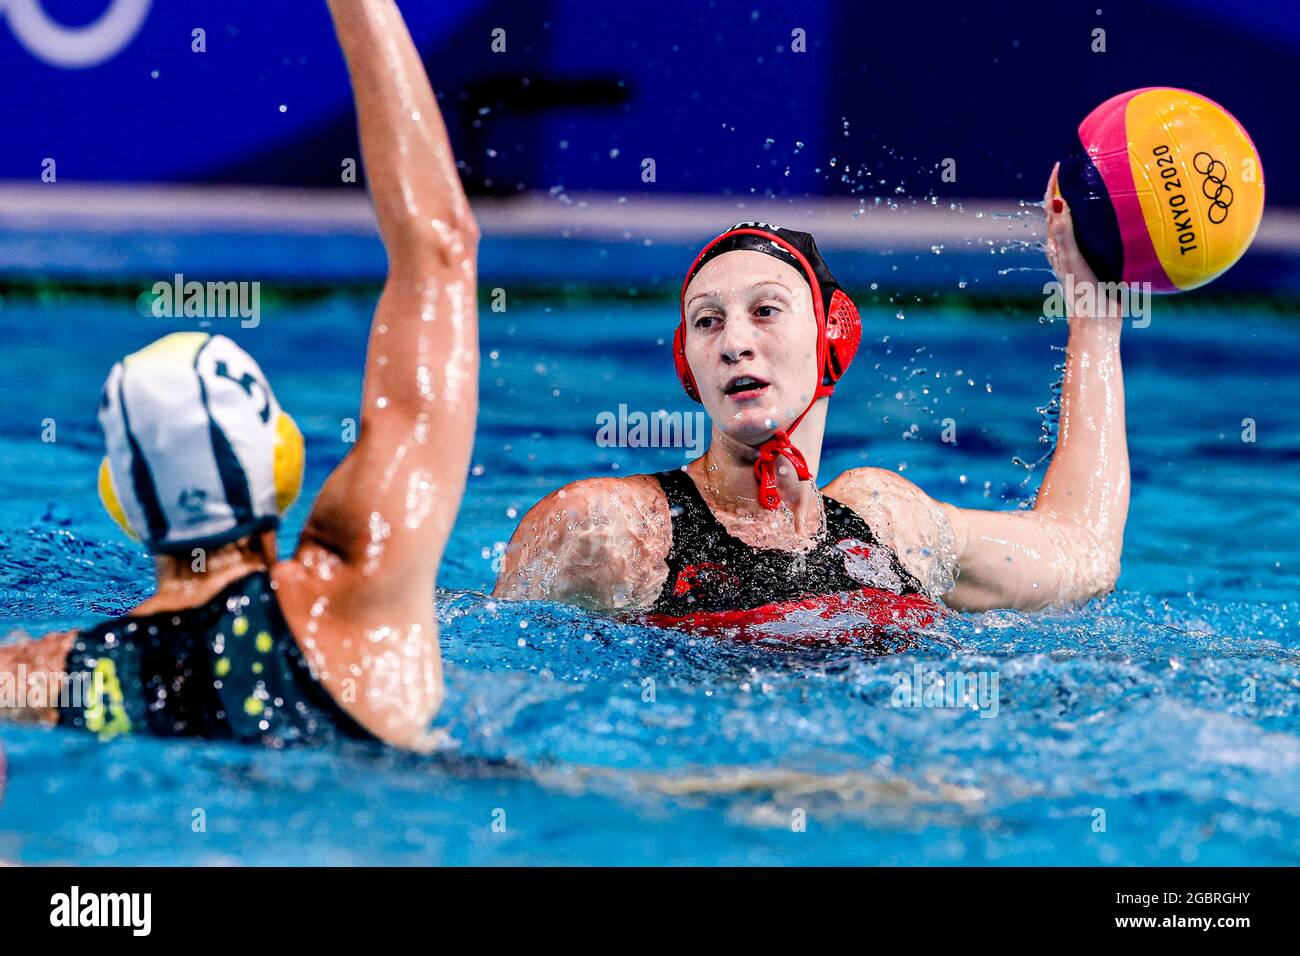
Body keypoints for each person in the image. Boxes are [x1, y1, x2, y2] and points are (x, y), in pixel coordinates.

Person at [0, 0, 479, 748]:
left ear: (121, 499)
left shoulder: (62, 673)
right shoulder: (353, 586)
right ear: (279, 462)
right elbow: (440, 248)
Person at [494, 168, 1128, 635]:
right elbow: (482, 665)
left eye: (766, 311)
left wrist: (1094, 319)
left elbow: (1083, 554)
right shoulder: (607, 529)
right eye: (707, 322)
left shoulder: (893, 527)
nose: (734, 343)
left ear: (835, 335)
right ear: (685, 364)